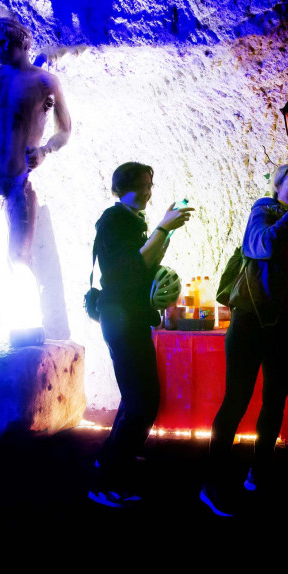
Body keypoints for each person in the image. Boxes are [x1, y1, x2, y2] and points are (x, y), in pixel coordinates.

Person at [199, 164, 288, 517]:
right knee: (236, 400)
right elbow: (259, 246)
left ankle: (259, 471)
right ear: (277, 187)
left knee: (274, 402)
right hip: (250, 321)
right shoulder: (263, 211)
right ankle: (212, 482)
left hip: (284, 324)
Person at [88, 162, 194, 508]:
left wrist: (165, 228)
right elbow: (131, 270)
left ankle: (112, 458)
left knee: (137, 398)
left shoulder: (132, 219)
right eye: (144, 185)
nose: (149, 191)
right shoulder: (114, 220)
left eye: (151, 184)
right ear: (124, 186)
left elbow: (145, 262)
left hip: (127, 317)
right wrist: (164, 228)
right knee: (141, 400)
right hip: (121, 318)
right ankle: (104, 483)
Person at [0, 17, 72, 267]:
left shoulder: (45, 82)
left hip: (19, 176)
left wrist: (44, 150)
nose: (0, 48)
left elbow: (65, 130)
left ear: (22, 44)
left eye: (6, 42)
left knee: (19, 254)